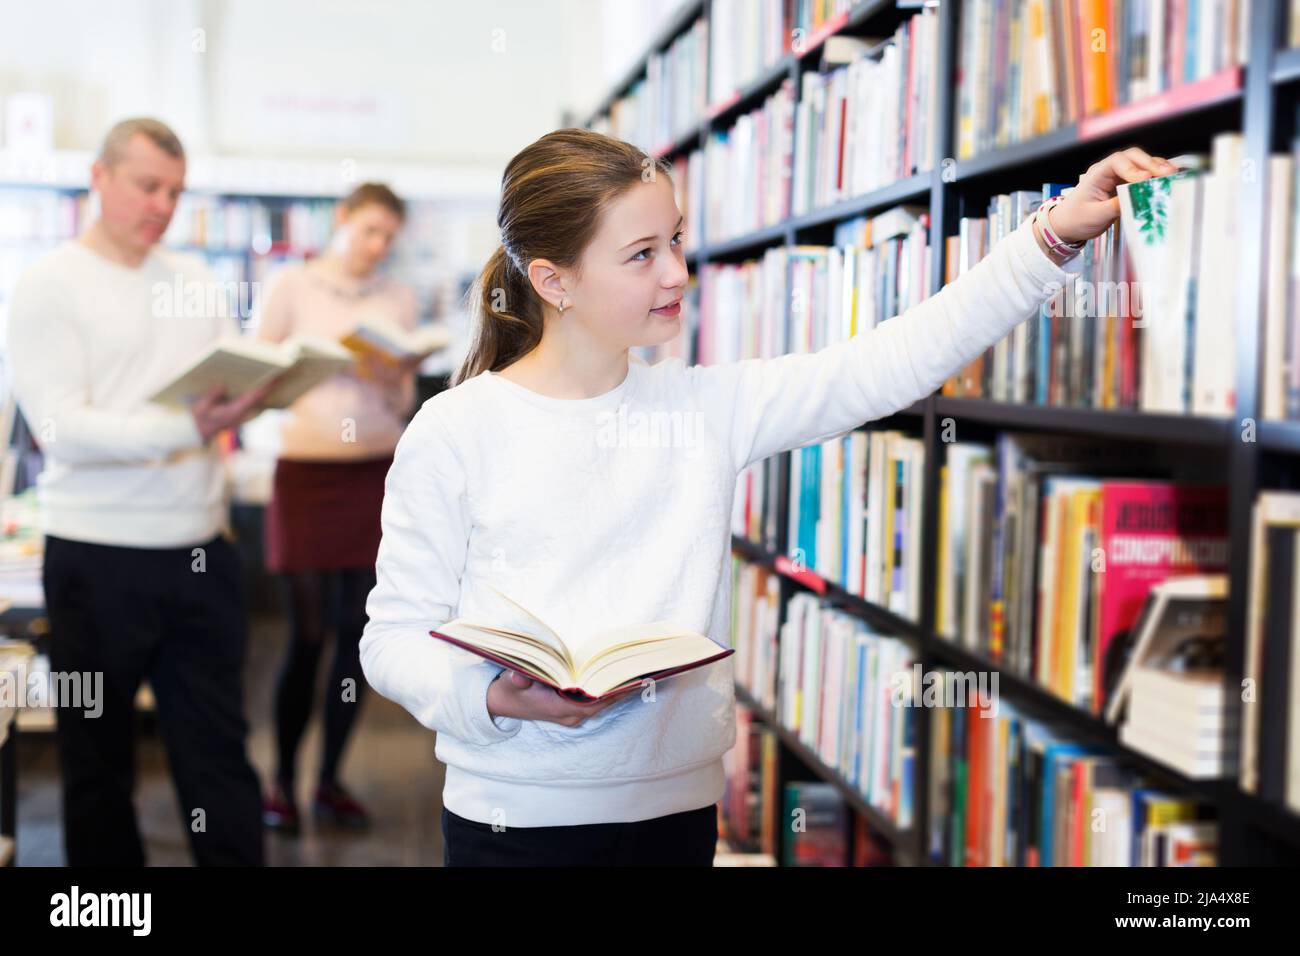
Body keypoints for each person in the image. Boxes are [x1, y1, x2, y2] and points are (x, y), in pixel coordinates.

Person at [359, 127, 1178, 866]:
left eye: (676, 239)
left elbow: (896, 359)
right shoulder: (455, 429)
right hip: (513, 825)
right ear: (553, 280)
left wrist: (1052, 236)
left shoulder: (705, 408)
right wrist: (492, 695)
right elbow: (391, 637)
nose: (678, 271)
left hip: (675, 815)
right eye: (641, 254)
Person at [5, 117, 273, 866]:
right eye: (147, 185)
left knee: (216, 753)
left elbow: (224, 385)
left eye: (176, 192)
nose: (162, 204)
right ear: (100, 177)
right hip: (96, 561)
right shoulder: (48, 284)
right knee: (97, 762)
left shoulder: (193, 278)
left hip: (201, 551)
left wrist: (253, 398)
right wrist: (184, 428)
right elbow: (62, 428)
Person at [254, 183, 420, 833]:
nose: (377, 246)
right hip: (306, 472)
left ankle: (329, 781)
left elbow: (403, 395)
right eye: (369, 230)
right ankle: (280, 782)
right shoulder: (290, 287)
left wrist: (383, 371)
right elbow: (257, 381)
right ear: (342, 219)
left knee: (357, 636)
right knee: (309, 633)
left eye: (388, 238)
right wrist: (306, 368)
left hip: (375, 473)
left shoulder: (397, 296)